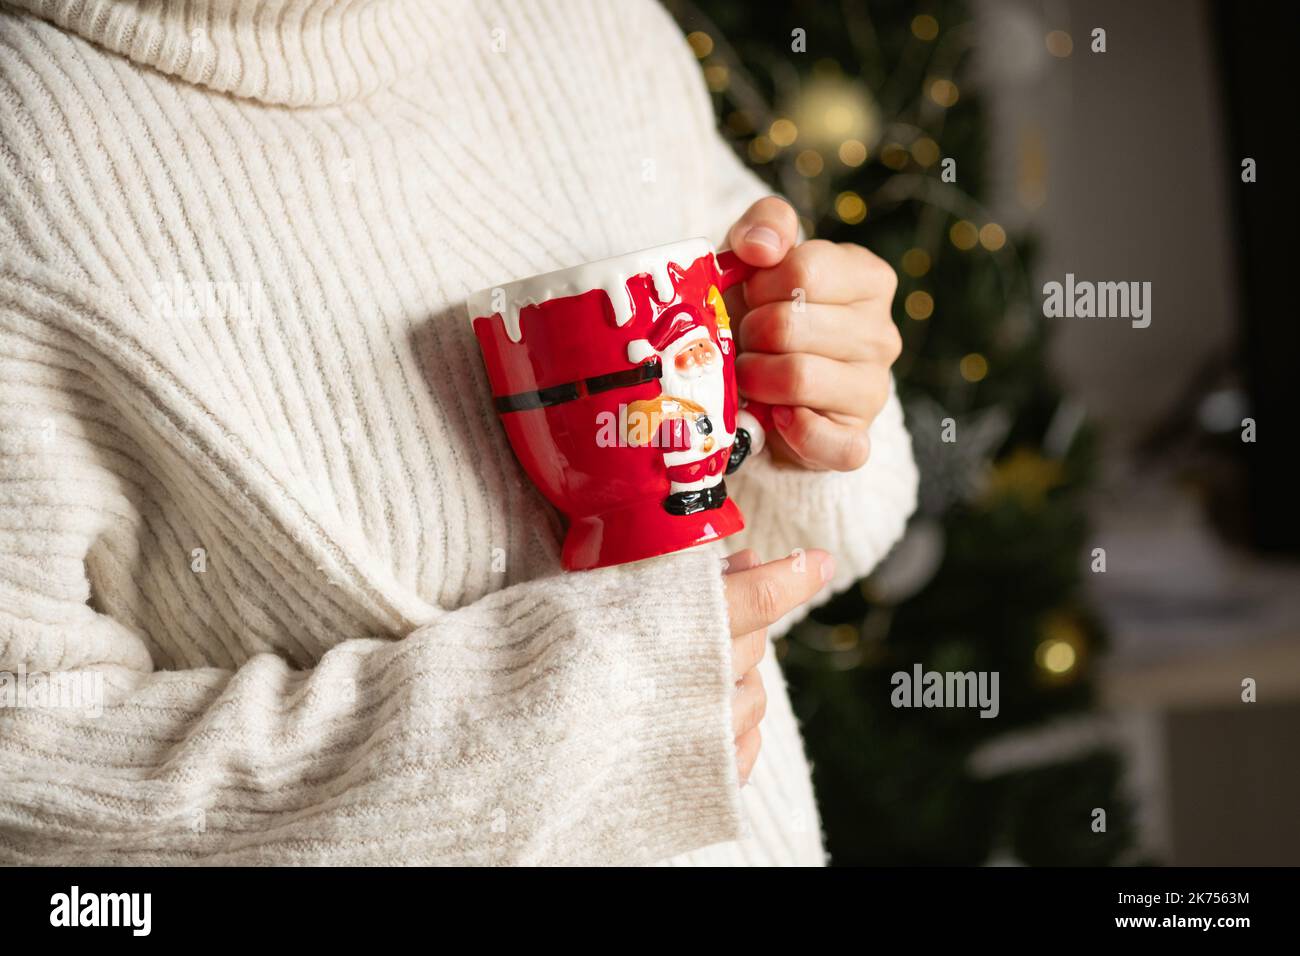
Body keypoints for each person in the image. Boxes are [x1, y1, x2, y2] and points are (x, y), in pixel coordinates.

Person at [0, 0, 917, 865]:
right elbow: (28, 789)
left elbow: (767, 553)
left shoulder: (596, 27)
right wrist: (563, 721)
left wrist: (810, 398)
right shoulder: (28, 158)